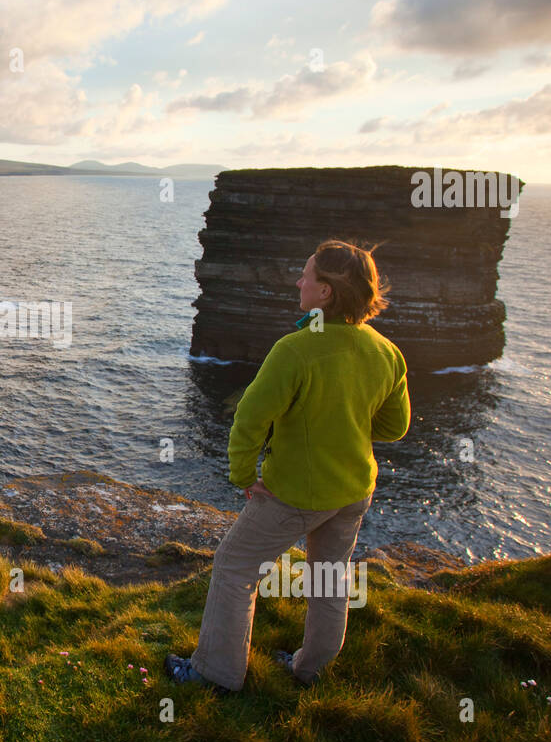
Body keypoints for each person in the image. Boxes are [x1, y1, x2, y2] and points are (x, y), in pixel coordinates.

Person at [165, 238, 411, 693]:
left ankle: (214, 674)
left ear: (326, 293)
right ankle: (311, 668)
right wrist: (344, 418)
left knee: (235, 567)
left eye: (307, 275)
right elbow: (395, 427)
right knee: (328, 574)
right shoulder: (386, 351)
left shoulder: (295, 350)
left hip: (296, 493)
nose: (299, 281)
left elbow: (250, 418)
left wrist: (243, 475)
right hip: (355, 490)